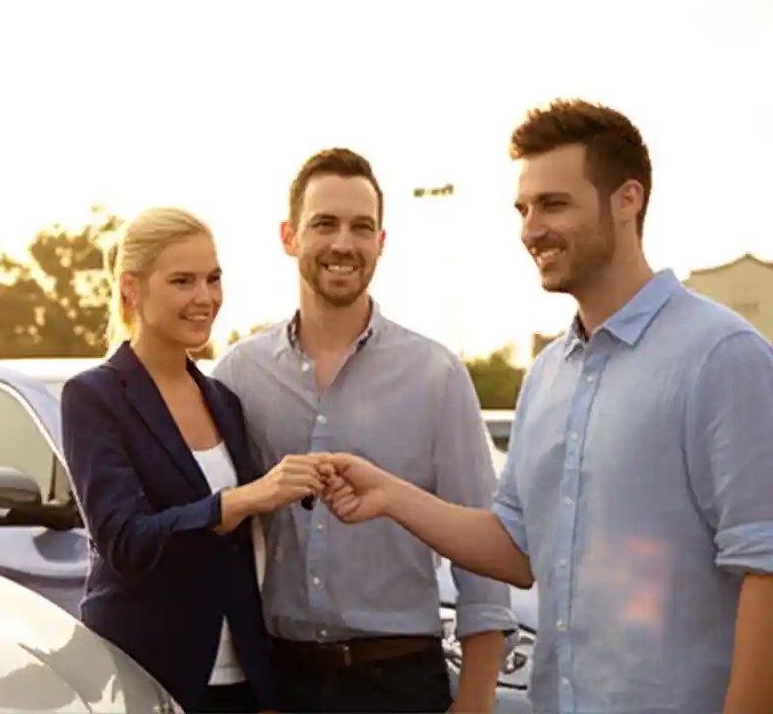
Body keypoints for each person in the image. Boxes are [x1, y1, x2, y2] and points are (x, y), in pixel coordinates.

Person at [323, 99, 773, 714]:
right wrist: (390, 496)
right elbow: (517, 547)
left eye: (554, 205)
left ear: (627, 200)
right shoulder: (547, 376)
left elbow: (765, 567)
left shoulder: (723, 356)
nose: (532, 228)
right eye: (524, 208)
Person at [211, 148, 516, 713]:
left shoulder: (435, 373)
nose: (343, 244)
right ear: (289, 236)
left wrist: (476, 697)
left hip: (400, 682)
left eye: (361, 227)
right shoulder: (238, 374)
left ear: (381, 241)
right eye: (324, 224)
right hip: (283, 683)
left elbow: (484, 546)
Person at [60, 206, 329, 713]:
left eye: (213, 278)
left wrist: (263, 685)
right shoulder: (94, 396)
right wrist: (239, 500)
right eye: (182, 281)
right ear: (131, 289)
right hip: (143, 675)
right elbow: (125, 540)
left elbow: (241, 558)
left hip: (237, 681)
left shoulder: (222, 400)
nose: (204, 298)